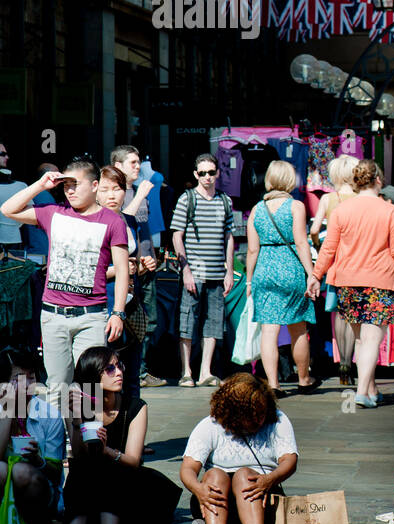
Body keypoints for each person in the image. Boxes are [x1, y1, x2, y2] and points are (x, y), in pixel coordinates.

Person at [1, 159, 129, 410]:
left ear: (94, 186)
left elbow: (123, 270)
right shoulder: (54, 212)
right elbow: (8, 209)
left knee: (88, 386)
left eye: (75, 184)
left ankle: (87, 445)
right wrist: (41, 185)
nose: (69, 190)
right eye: (66, 185)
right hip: (53, 314)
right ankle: (57, 445)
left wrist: (118, 312)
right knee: (57, 386)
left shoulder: (112, 221)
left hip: (91, 315)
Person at [312, 159, 394, 409]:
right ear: (378, 180)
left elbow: (328, 248)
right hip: (380, 282)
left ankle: (371, 390)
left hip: (348, 283)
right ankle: (362, 392)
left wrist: (316, 275)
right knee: (372, 340)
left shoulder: (341, 211)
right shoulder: (390, 211)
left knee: (361, 340)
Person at [180, 373, 298, 524]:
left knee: (244, 475)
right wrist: (198, 489)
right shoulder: (210, 426)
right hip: (218, 507)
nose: (259, 419)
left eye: (261, 413)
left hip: (261, 503)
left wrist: (269, 479)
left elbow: (290, 461)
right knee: (215, 475)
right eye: (252, 415)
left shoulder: (277, 419)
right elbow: (188, 469)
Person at [62, 346, 147, 524]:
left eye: (119, 366)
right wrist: (78, 418)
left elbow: (133, 461)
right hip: (88, 473)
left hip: (123, 475)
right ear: (92, 376)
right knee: (79, 472)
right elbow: (79, 454)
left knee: (111, 475)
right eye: (110, 369)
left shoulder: (135, 407)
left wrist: (107, 450)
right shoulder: (77, 404)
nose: (119, 372)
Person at [246, 161, 318, 397]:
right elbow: (300, 243)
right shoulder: (296, 206)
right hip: (291, 270)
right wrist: (311, 273)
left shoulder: (257, 209)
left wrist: (248, 280)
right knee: (298, 329)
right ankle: (304, 379)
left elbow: (252, 250)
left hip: (264, 271)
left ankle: (273, 385)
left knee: (269, 330)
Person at [170, 153, 235, 388]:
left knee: (214, 322)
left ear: (217, 173)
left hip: (217, 272)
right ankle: (186, 371)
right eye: (203, 173)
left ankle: (205, 371)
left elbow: (229, 237)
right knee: (187, 320)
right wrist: (185, 269)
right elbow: (177, 235)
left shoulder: (225, 200)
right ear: (196, 174)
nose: (208, 177)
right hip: (194, 271)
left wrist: (229, 270)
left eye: (212, 172)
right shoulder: (187, 199)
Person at [0, 348, 65, 524]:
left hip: (43, 489)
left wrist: (38, 460)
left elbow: (56, 475)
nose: (28, 384)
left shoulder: (49, 415)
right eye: (18, 378)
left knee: (21, 472)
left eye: (32, 377)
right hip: (4, 484)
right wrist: (8, 410)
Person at [95, 166, 152, 402]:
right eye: (106, 189)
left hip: (131, 307)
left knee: (130, 377)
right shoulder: (94, 222)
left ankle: (131, 433)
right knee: (105, 375)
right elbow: (88, 270)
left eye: (117, 189)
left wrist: (141, 267)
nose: (112, 195)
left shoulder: (130, 221)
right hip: (105, 305)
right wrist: (116, 270)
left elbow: (131, 267)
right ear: (96, 191)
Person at [109, 145, 162, 390]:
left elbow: (142, 231)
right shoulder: (122, 196)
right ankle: (131, 372)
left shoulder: (138, 191)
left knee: (146, 322)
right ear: (117, 166)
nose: (138, 166)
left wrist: (150, 258)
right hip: (119, 277)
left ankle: (138, 371)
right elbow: (123, 221)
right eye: (132, 162)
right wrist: (139, 194)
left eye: (139, 161)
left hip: (142, 266)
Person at [309, 155, 359, 385]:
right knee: (353, 315)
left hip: (336, 263)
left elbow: (314, 229)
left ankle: (343, 363)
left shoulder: (329, 199)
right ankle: (350, 359)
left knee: (338, 313)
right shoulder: (362, 199)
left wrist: (320, 248)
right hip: (359, 261)